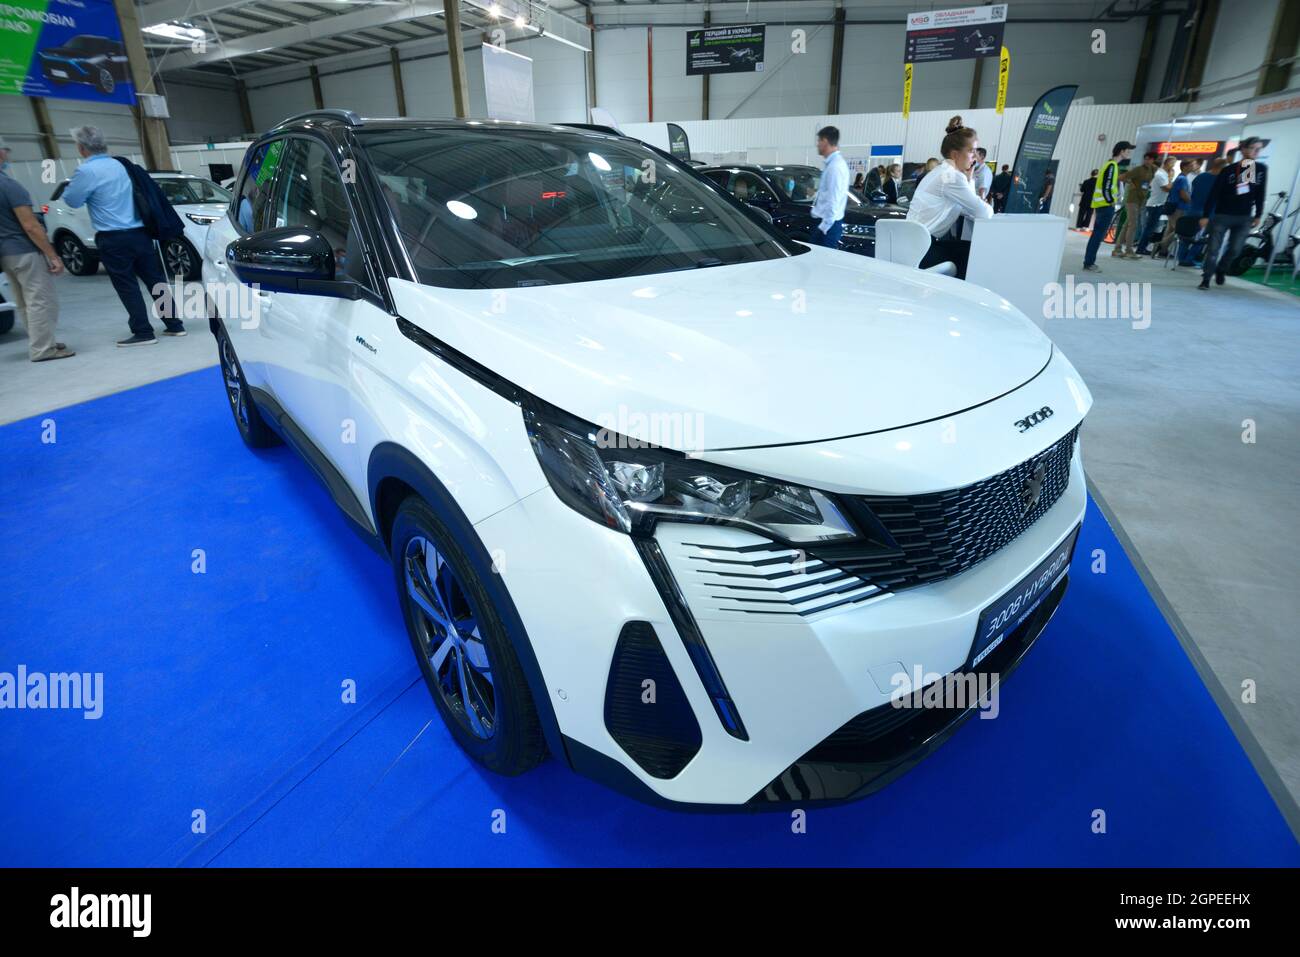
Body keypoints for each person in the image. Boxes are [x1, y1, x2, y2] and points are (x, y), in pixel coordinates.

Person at [62, 125, 186, 346]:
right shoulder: (122, 165)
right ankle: (175, 325)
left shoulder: (86, 171)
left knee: (127, 285)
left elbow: (72, 200)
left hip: (113, 238)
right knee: (155, 280)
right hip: (141, 233)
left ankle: (143, 332)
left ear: (81, 149)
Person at [0, 137, 71, 361]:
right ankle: (43, 348)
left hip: (5, 254)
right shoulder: (9, 186)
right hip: (24, 251)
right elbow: (30, 225)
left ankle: (40, 340)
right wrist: (53, 255)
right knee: (40, 300)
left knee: (23, 301)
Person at [906, 126, 993, 279]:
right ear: (955, 154)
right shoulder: (951, 177)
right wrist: (969, 180)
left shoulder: (943, 172)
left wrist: (968, 179)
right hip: (923, 248)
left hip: (914, 244)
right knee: (974, 255)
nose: (975, 157)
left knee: (966, 251)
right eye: (972, 151)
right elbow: (983, 212)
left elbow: (967, 209)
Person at [1198, 137, 1268, 290]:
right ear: (1243, 149)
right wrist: (1205, 215)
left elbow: (1259, 193)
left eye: (1259, 149)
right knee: (1213, 249)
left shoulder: (1261, 169)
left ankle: (1221, 269)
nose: (1256, 152)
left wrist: (1258, 214)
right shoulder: (1228, 170)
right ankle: (1206, 278)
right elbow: (1214, 194)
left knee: (1236, 249)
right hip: (1222, 215)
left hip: (1244, 217)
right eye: (1253, 148)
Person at [1083, 140, 1133, 272]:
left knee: (1097, 235)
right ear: (1121, 151)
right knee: (1098, 235)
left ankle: (1089, 262)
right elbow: (1107, 185)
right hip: (1105, 205)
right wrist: (1111, 200)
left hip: (1103, 205)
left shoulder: (1111, 165)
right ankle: (1089, 263)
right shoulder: (1112, 166)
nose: (1129, 153)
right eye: (1128, 150)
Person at [1176, 157, 1226, 266]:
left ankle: (1181, 258)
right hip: (1207, 214)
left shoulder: (1200, 176)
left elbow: (1192, 192)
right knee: (1201, 238)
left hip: (1191, 210)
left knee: (1186, 235)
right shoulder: (1221, 180)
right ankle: (1189, 259)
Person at [810, 125, 849, 248]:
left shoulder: (835, 167)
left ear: (825, 141)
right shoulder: (832, 164)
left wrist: (825, 226)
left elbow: (834, 199)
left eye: (819, 141)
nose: (817, 144)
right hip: (827, 223)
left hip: (828, 226)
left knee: (820, 262)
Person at [1137, 156, 1175, 255]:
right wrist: (1171, 178)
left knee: (1150, 227)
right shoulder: (1160, 175)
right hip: (1155, 204)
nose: (1173, 166)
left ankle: (1142, 247)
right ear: (1167, 163)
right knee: (1149, 227)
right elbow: (1166, 188)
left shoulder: (1162, 174)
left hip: (1157, 203)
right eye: (1172, 164)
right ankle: (1141, 248)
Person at [1155, 160, 1194, 258]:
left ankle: (1163, 251)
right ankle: (1161, 244)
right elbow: (1183, 194)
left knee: (1170, 229)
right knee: (1178, 230)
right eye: (1191, 165)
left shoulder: (1180, 177)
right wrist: (1191, 201)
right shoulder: (1182, 179)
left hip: (1174, 206)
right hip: (1178, 208)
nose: (1193, 167)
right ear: (1185, 167)